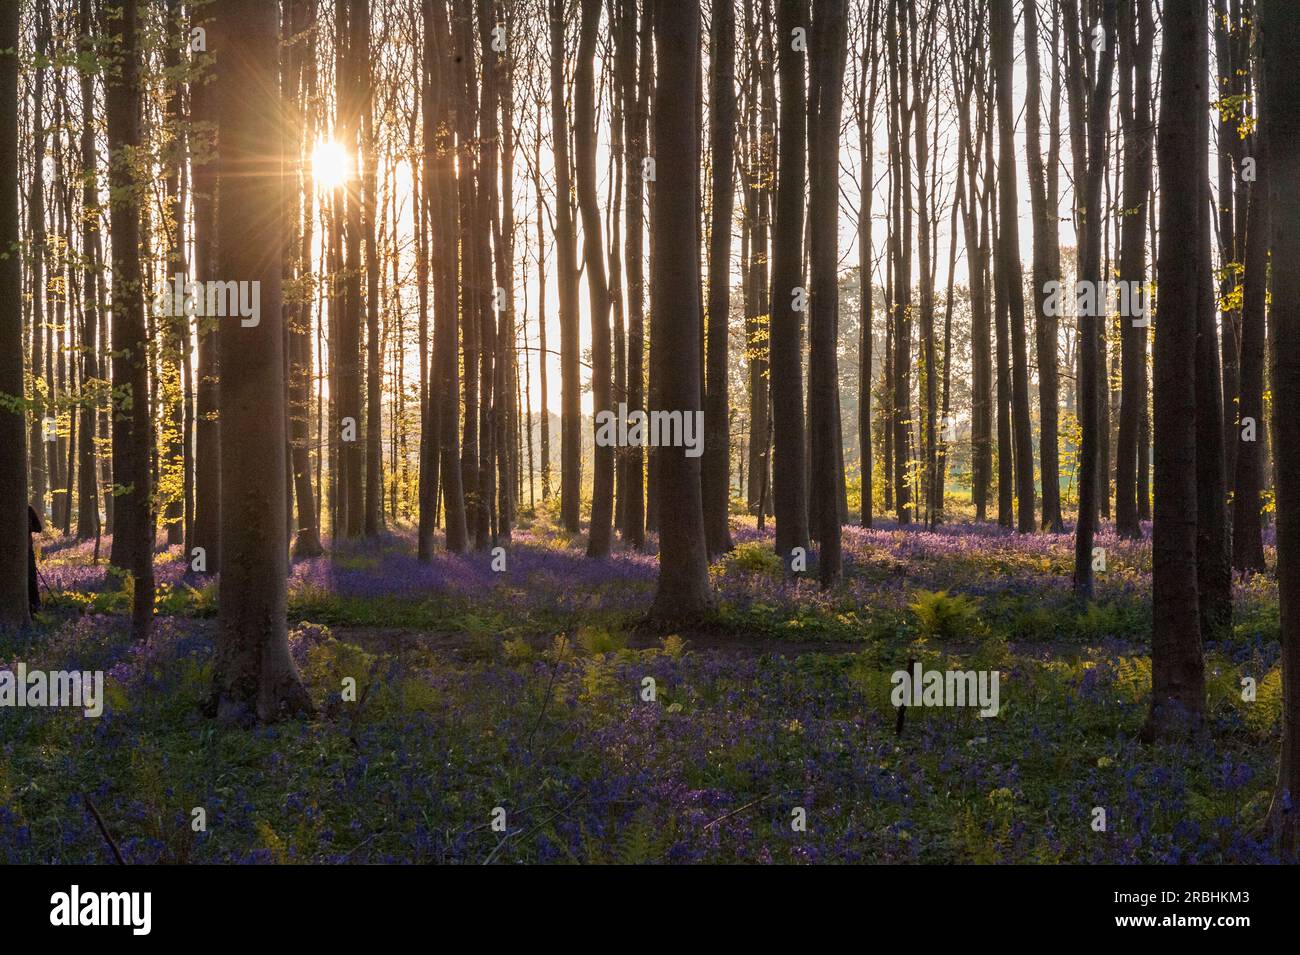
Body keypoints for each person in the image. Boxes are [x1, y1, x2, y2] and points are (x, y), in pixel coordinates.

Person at [28, 504, 42, 615]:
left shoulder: (28, 509)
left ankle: (35, 605)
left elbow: (38, 528)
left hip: (27, 550)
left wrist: (28, 527)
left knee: (31, 578)